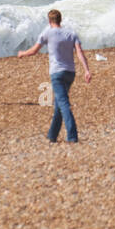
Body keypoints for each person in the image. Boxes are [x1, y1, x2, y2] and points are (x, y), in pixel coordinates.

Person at [17, 9, 91, 143]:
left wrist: (22, 53)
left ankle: (72, 136)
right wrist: (86, 70)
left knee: (63, 104)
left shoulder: (47, 33)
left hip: (57, 73)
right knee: (58, 104)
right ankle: (52, 136)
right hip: (70, 73)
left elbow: (34, 50)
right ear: (60, 19)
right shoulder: (71, 33)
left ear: (49, 21)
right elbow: (79, 52)